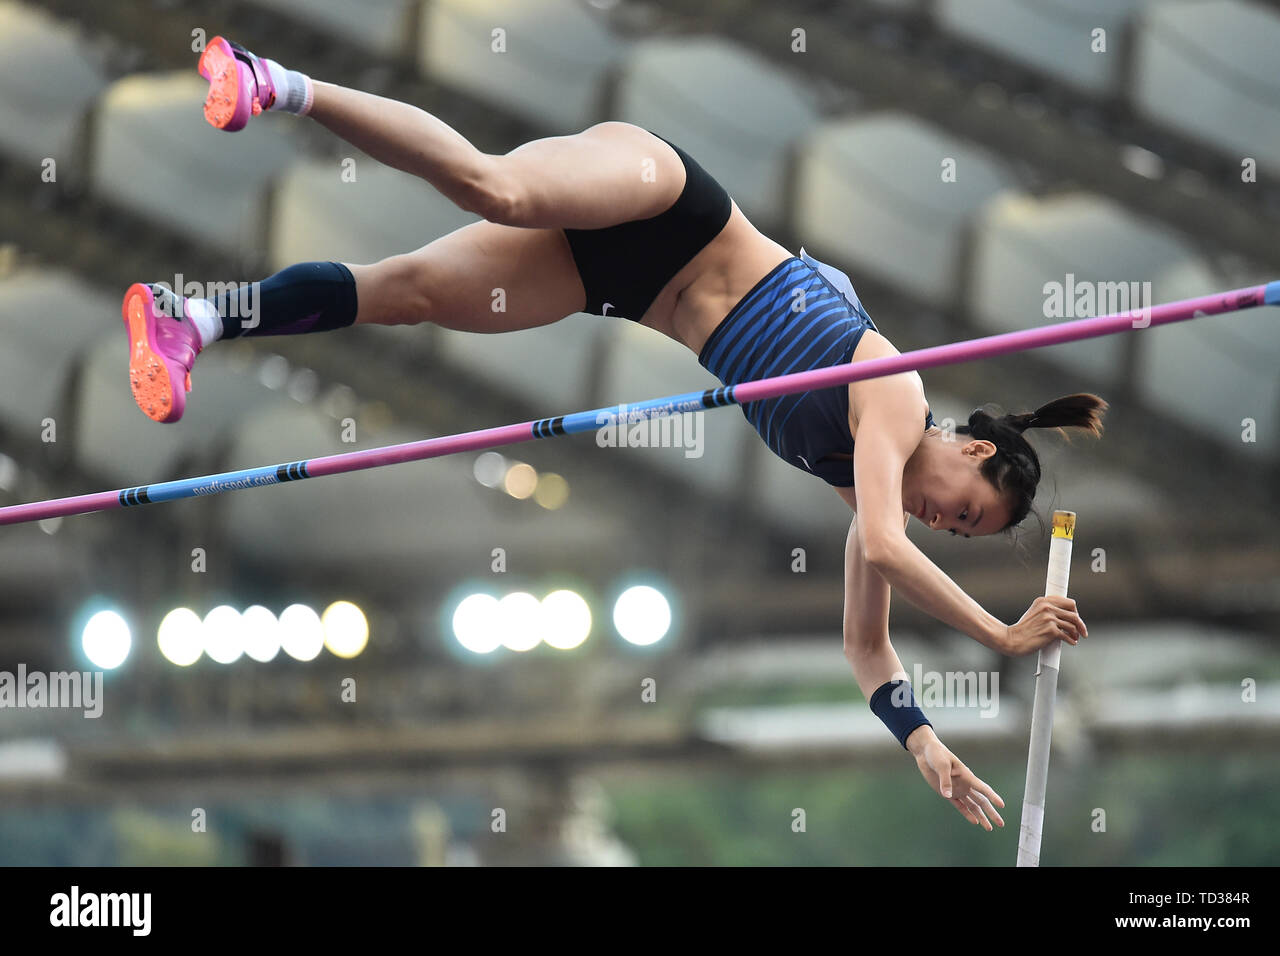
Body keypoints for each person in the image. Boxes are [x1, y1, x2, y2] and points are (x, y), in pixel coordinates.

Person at [122, 37, 1107, 829]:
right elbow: (891, 550)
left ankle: (194, 319)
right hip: (667, 200)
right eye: (966, 510)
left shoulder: (864, 483)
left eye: (960, 535)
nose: (944, 520)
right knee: (491, 186)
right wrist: (996, 630)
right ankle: (277, 82)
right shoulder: (893, 391)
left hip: (624, 287)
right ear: (973, 447)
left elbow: (864, 645)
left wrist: (924, 743)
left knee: (410, 292)